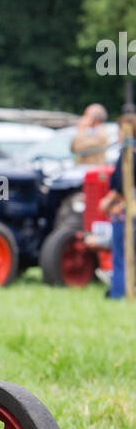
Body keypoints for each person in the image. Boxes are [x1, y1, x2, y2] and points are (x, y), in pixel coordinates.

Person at [99, 113, 136, 299]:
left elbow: (122, 185)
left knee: (121, 257)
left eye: (119, 130)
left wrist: (107, 201)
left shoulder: (128, 155)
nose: (118, 135)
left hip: (125, 211)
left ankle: (119, 293)